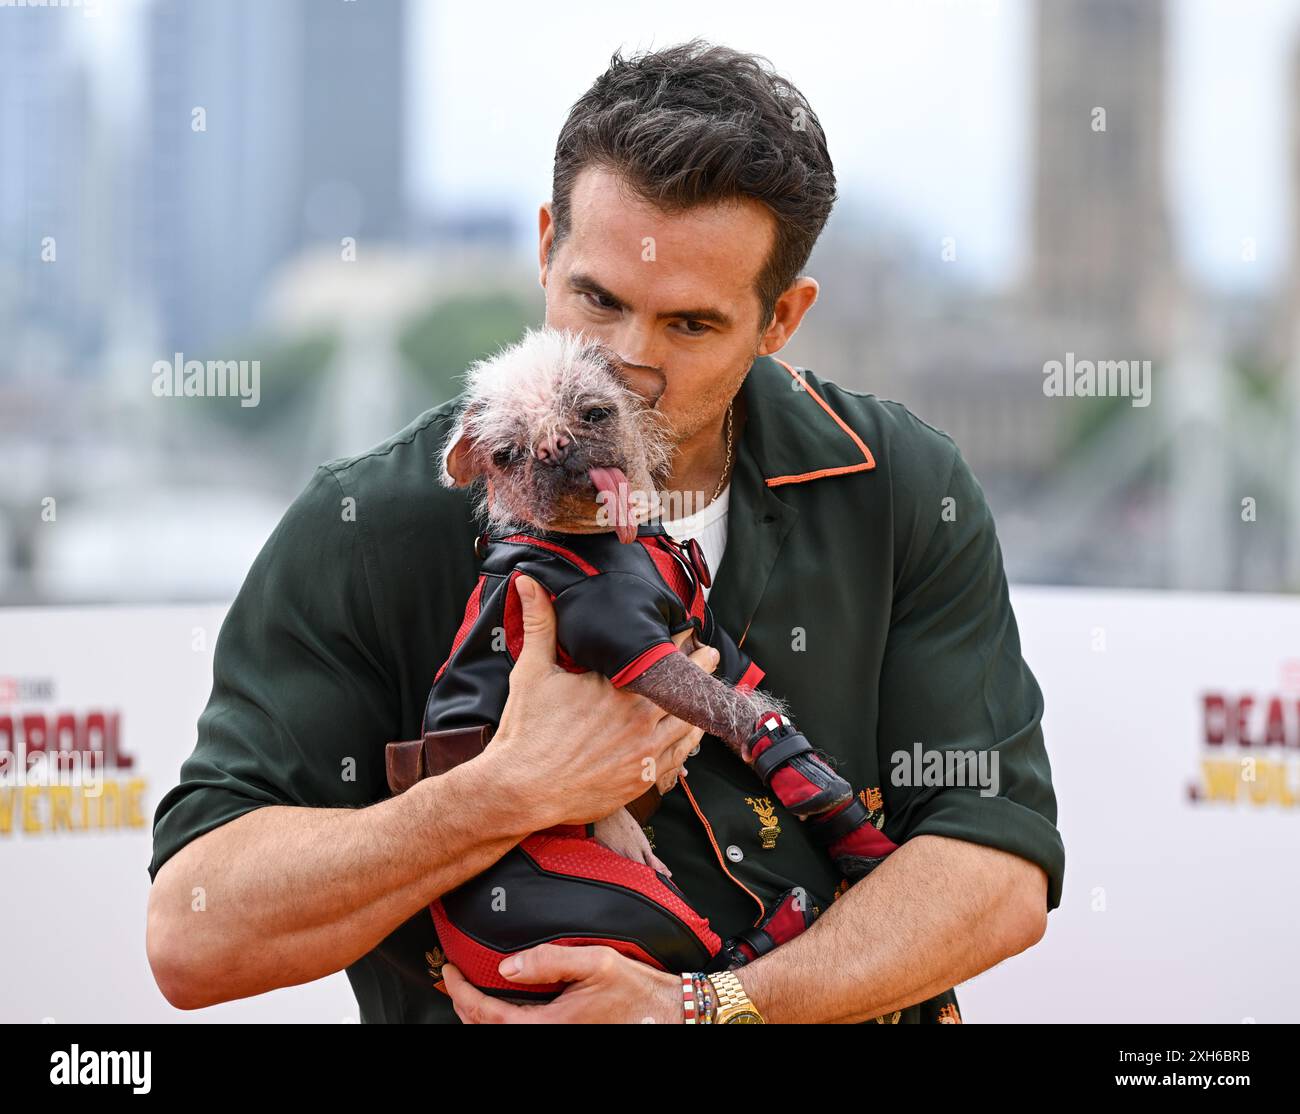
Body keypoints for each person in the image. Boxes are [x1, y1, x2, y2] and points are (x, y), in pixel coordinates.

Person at [146, 38, 1064, 1024]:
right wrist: (501, 792)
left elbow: (995, 870)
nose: (627, 366)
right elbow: (195, 935)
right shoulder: (369, 523)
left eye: (689, 326)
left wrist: (699, 1008)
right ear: (545, 246)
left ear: (781, 318)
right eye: (597, 299)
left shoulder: (899, 487)